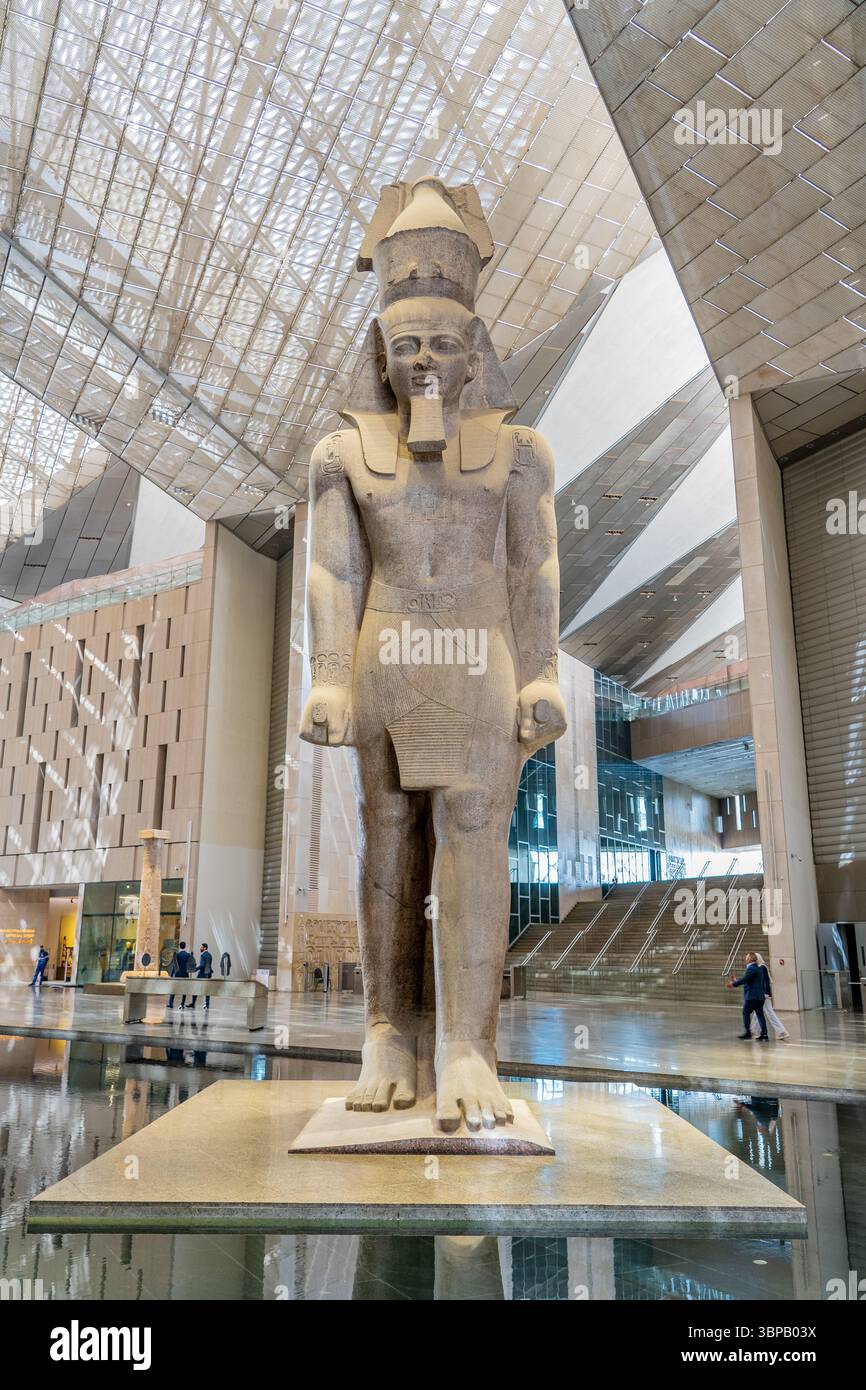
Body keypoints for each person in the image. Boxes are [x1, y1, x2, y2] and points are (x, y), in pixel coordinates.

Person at [727, 952, 769, 1040]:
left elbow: (745, 980)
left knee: (745, 1012)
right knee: (760, 1015)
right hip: (759, 997)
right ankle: (764, 1034)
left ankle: (748, 1033)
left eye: (746, 957)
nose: (745, 959)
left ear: (750, 959)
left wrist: (733, 984)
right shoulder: (758, 969)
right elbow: (750, 981)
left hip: (752, 997)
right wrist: (736, 980)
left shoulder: (751, 969)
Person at [749, 952, 790, 1040]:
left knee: (769, 1013)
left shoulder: (762, 967)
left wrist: (765, 993)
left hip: (764, 995)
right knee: (758, 1012)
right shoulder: (759, 967)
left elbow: (765, 982)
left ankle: (782, 1032)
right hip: (761, 995)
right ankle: (753, 1030)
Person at [167, 940, 196, 1009]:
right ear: (185, 946)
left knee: (173, 989)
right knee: (184, 990)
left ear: (179, 946)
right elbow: (191, 965)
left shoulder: (177, 955)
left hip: (177, 975)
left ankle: (171, 1003)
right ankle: (182, 1004)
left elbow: (174, 965)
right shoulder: (188, 955)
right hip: (185, 975)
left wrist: (171, 975)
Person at [186, 943, 213, 1012]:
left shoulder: (203, 955)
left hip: (202, 974)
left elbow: (202, 965)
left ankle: (193, 1003)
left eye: (201, 947)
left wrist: (195, 969)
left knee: (195, 989)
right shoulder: (210, 955)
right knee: (207, 990)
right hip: (208, 974)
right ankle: (207, 1005)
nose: (200, 948)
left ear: (204, 948)